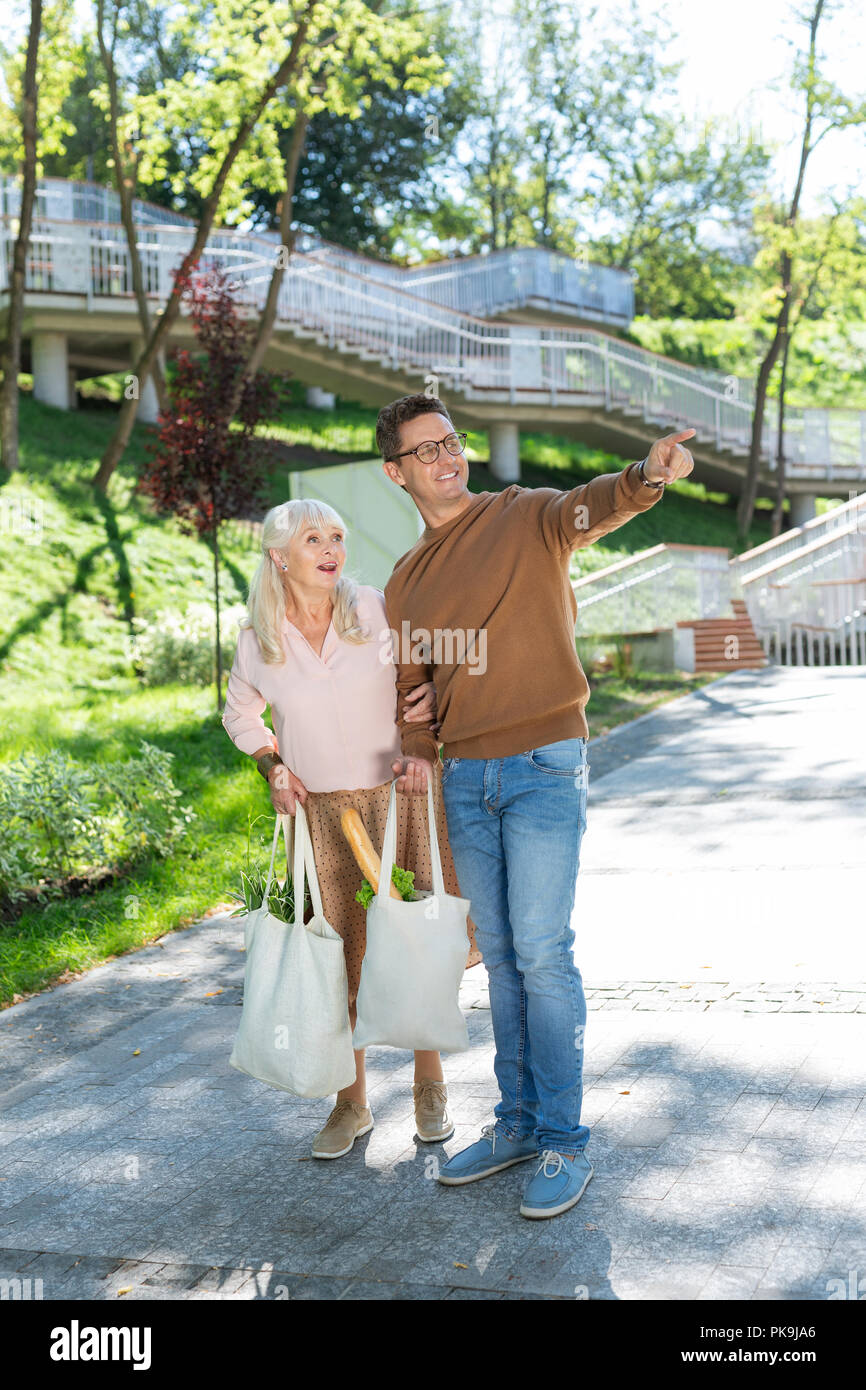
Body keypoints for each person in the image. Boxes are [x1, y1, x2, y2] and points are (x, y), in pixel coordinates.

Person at [377, 394, 694, 1218]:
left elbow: (588, 508)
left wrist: (644, 476)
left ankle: (564, 1140)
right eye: (426, 450)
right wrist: (415, 752)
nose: (448, 457)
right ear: (396, 472)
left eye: (452, 442)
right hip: (465, 781)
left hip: (545, 765)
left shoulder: (524, 517)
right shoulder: (404, 584)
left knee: (545, 953)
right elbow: (412, 697)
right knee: (506, 959)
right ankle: (517, 1123)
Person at [222, 498, 481, 1160]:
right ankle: (352, 1102)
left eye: (336, 535)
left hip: (399, 798)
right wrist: (272, 765)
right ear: (281, 557)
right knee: (339, 956)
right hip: (324, 818)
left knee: (415, 942)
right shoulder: (260, 639)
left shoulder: (370, 608)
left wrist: (423, 726)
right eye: (314, 539)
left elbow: (417, 679)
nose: (332, 548)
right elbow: (241, 716)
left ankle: (430, 1088)